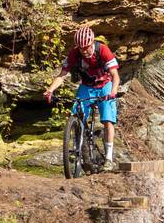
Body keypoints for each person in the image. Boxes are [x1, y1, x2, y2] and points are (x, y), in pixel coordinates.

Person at [44, 26, 122, 171]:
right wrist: (50, 90)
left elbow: (115, 75)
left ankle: (109, 158)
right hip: (87, 86)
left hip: (105, 85)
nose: (84, 50)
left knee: (107, 118)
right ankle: (77, 146)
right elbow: (62, 74)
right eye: (81, 48)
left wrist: (113, 91)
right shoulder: (74, 54)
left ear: (92, 42)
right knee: (77, 113)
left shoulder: (102, 50)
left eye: (87, 47)